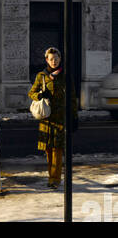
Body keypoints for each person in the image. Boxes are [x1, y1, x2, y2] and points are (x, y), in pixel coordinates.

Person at [28, 46, 78, 189]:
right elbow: (31, 93)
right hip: (47, 119)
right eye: (51, 59)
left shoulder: (66, 76)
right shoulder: (41, 76)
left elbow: (72, 97)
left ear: (60, 59)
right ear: (47, 60)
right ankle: (52, 176)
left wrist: (74, 116)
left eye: (56, 58)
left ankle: (54, 180)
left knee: (57, 149)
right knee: (48, 150)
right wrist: (40, 95)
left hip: (60, 118)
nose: (54, 61)